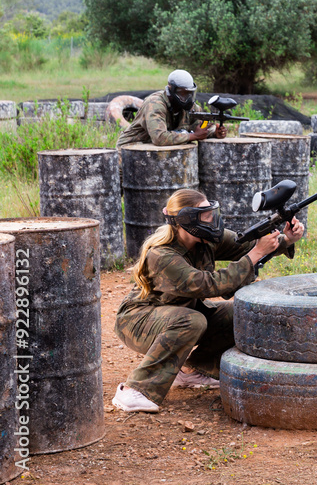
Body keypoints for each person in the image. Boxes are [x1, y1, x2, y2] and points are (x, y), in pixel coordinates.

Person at [111, 189, 304, 412]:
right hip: (137, 321)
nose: (213, 220)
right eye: (206, 216)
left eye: (211, 213)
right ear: (187, 220)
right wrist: (255, 255)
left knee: (238, 314)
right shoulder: (161, 255)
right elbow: (208, 285)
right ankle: (135, 390)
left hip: (179, 311)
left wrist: (286, 239)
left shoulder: (205, 239)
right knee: (191, 321)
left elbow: (248, 245)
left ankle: (193, 371)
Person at [116, 69, 227, 148]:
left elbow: (199, 127)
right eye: (183, 93)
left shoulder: (189, 107)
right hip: (130, 149)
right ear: (171, 90)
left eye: (190, 93)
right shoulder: (155, 104)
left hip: (154, 151)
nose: (187, 98)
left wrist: (214, 132)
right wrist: (193, 136)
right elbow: (159, 138)